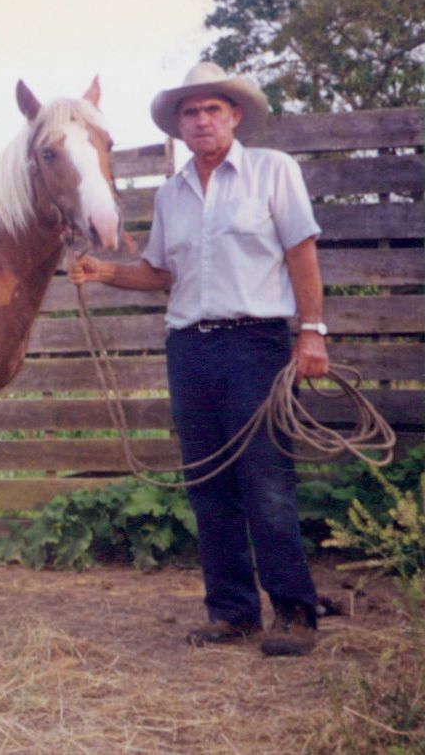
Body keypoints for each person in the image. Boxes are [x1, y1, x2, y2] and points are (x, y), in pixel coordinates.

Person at [70, 63, 329, 656]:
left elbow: (301, 252)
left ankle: (294, 613)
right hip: (189, 347)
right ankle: (233, 612)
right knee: (207, 485)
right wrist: (104, 271)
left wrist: (311, 332)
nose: (203, 120)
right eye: (191, 113)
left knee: (266, 481)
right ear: (179, 127)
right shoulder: (173, 192)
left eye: (213, 110)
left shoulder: (273, 172)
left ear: (235, 117)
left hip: (255, 344)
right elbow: (162, 272)